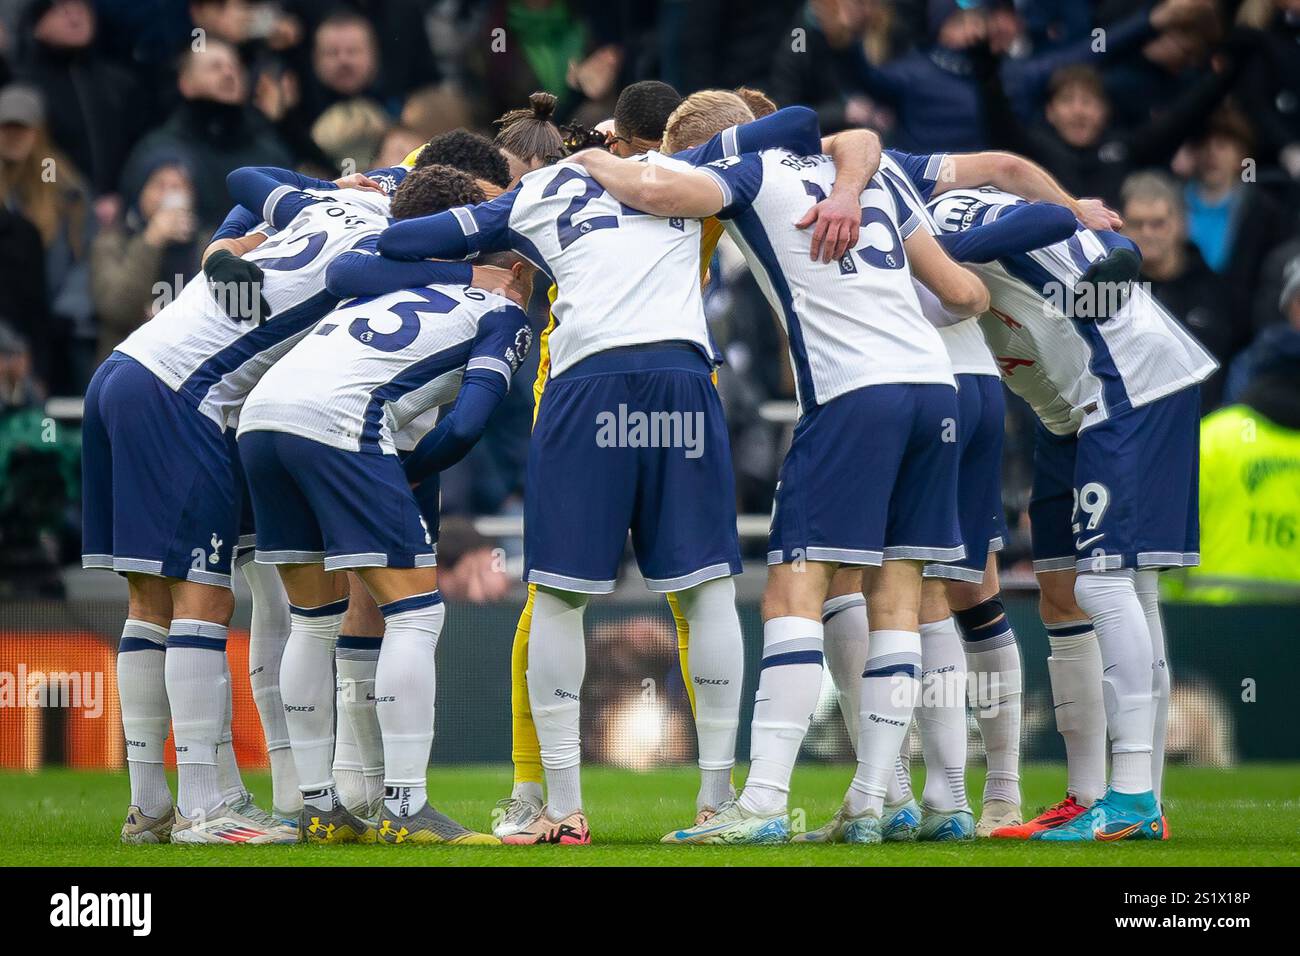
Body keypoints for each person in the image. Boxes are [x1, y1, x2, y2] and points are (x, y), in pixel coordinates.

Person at [570, 92, 995, 846]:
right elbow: (967, 294)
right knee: (899, 597)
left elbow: (653, 189)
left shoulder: (748, 170)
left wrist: (593, 156)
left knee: (794, 591)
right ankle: (877, 802)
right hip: (937, 389)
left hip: (852, 392)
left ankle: (763, 802)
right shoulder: (874, 175)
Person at [235, 163, 531, 846]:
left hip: (262, 419)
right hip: (343, 424)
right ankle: (405, 807)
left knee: (313, 619)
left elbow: (343, 275)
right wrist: (400, 473)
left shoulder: (371, 275)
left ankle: (318, 806)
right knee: (418, 613)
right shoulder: (498, 306)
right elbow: (463, 428)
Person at [921, 181, 1216, 841]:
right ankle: (1088, 796)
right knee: (1063, 594)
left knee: (1112, 583)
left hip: (1127, 381)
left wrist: (943, 250)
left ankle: (1136, 796)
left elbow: (1050, 217)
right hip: (1064, 411)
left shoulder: (937, 217)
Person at [123, 40, 293, 230]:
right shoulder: (159, 151)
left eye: (235, 67)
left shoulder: (267, 147)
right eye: (215, 67)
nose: (229, 73)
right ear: (185, 82)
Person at [1120, 170, 1234, 409]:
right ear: (1121, 227)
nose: (1147, 233)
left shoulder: (1218, 291)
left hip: (1207, 425)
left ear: (1181, 223)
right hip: (1135, 427)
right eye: (1137, 224)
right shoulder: (1109, 293)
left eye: (1158, 223)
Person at [91, 152, 200, 364]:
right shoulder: (111, 243)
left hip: (187, 363)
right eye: (159, 186)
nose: (169, 196)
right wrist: (152, 239)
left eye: (178, 187)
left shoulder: (208, 244)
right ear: (141, 190)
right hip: (125, 362)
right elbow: (117, 308)